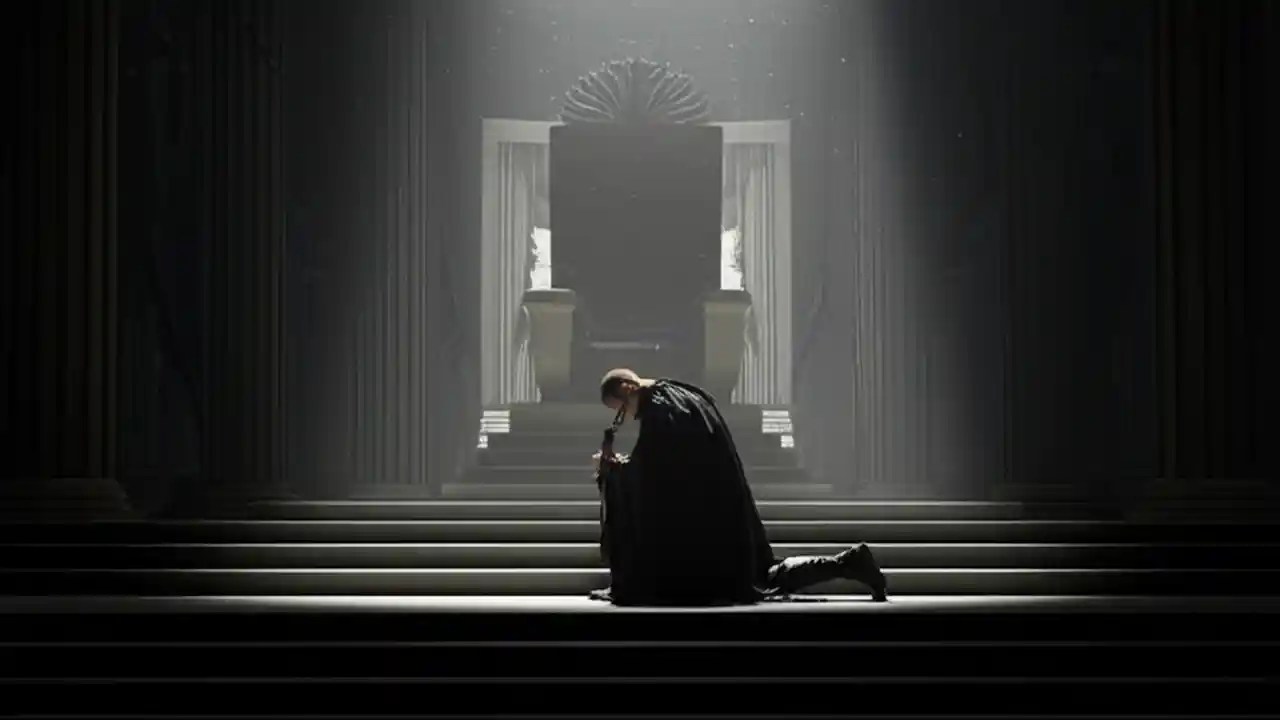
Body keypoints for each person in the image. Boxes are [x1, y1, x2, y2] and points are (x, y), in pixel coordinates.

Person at [589, 368, 888, 606]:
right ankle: (848, 562)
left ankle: (848, 562)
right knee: (763, 574)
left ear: (627, 388)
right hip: (722, 504)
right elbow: (669, 463)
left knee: (758, 579)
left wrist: (614, 469)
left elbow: (656, 471)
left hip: (709, 521)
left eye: (622, 410)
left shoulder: (661, 411)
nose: (628, 417)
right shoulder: (681, 396)